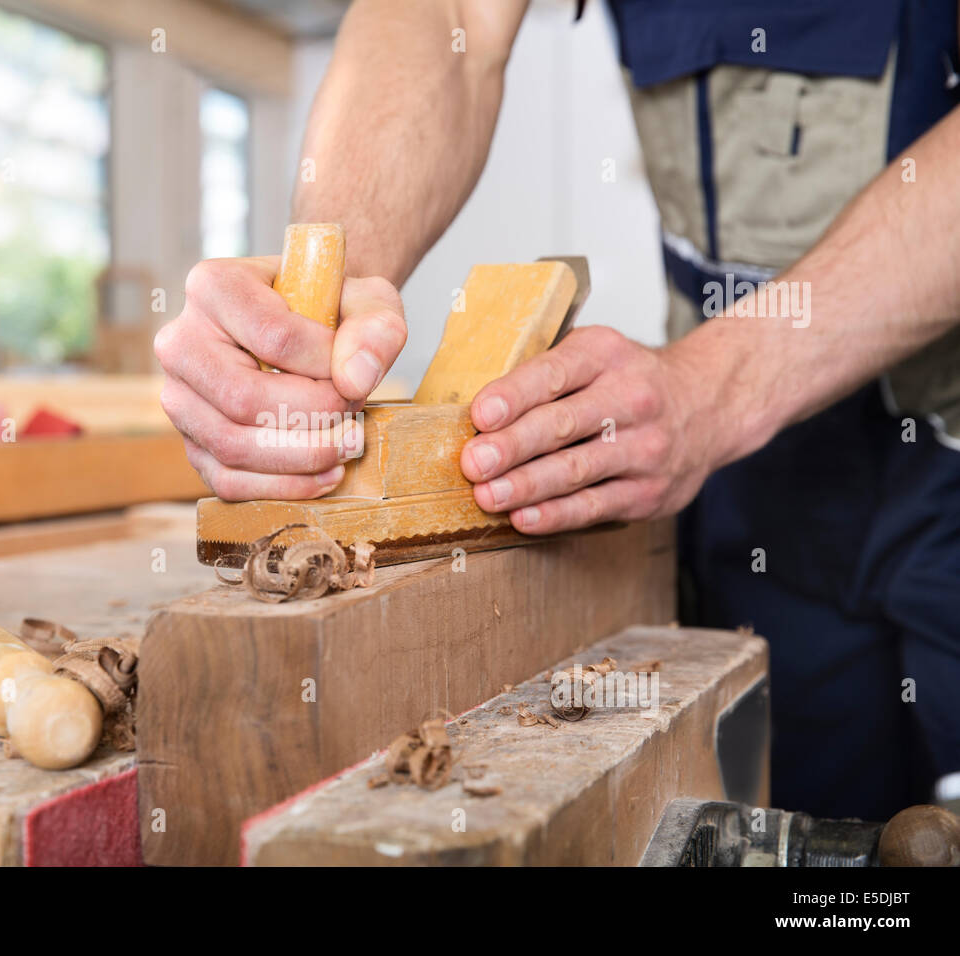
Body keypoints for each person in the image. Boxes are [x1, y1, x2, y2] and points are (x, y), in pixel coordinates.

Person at [153, 0, 960, 820]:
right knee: (809, 829)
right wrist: (317, 323)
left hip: (938, 452)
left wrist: (715, 387)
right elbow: (447, 21)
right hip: (752, 485)